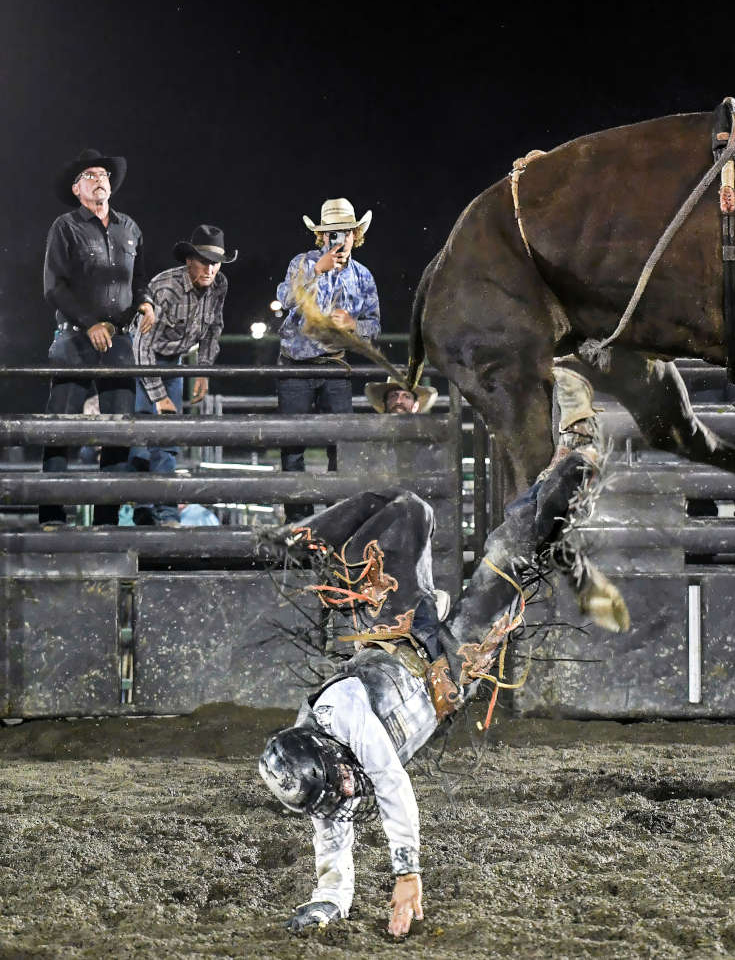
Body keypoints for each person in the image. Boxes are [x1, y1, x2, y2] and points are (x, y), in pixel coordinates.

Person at [257, 370, 628, 938]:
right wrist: (327, 904)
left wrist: (408, 874)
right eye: (338, 793)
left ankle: (307, 536)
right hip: (449, 672)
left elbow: (391, 784)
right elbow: (333, 840)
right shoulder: (326, 780)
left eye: (341, 781)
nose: (348, 791)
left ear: (323, 747)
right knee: (515, 552)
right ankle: (576, 453)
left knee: (408, 512)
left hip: (391, 635)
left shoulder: (343, 714)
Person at [40, 148, 154, 525]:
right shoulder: (65, 226)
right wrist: (90, 322)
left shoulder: (130, 228)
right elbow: (54, 287)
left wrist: (146, 302)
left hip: (119, 339)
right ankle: (52, 513)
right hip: (74, 336)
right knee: (61, 425)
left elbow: (139, 278)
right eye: (90, 174)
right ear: (77, 189)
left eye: (103, 173)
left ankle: (106, 519)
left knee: (119, 428)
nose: (99, 178)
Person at [275, 199, 380, 522]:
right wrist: (316, 270)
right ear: (322, 237)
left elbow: (374, 326)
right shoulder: (302, 263)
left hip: (336, 367)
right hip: (296, 365)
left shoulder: (362, 276)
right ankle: (299, 523)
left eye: (345, 232)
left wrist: (353, 325)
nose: (339, 239)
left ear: (354, 235)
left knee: (342, 447)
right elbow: (284, 298)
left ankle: (338, 520)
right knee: (293, 448)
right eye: (333, 233)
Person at [129, 225, 236, 525]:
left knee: (166, 437)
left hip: (174, 361)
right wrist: (159, 395)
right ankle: (144, 511)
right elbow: (141, 344)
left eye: (215, 262)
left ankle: (162, 513)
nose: (210, 268)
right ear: (189, 260)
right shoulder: (166, 287)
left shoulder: (220, 285)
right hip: (141, 360)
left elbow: (214, 327)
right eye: (204, 260)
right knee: (144, 436)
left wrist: (203, 370)